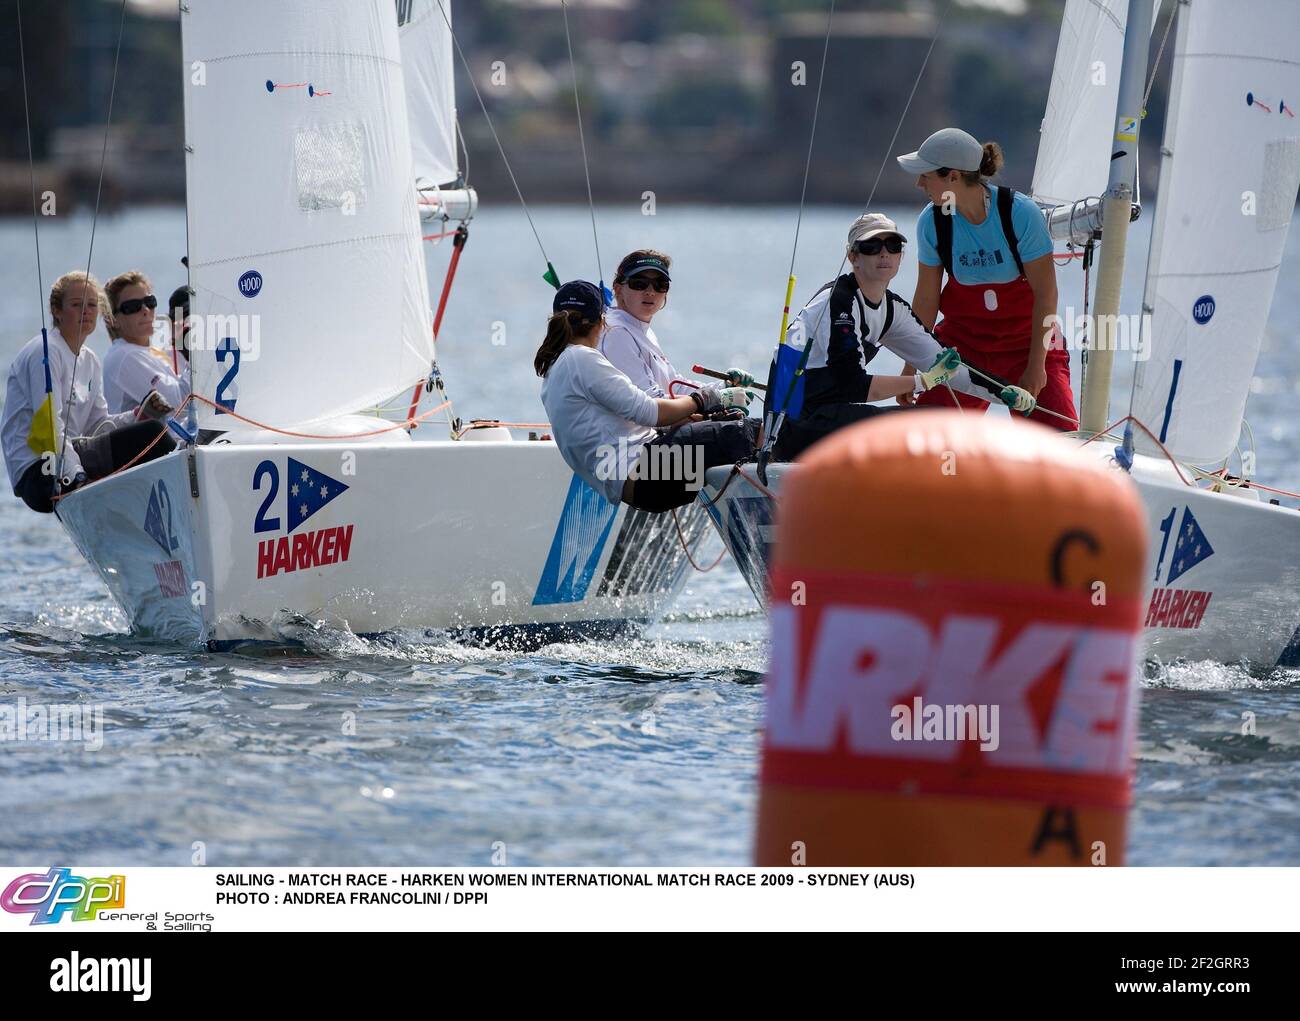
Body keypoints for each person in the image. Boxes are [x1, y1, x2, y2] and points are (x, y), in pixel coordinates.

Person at [767, 212, 1034, 461]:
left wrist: (1004, 392)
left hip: (828, 417)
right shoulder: (838, 302)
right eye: (872, 246)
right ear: (853, 257)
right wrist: (921, 382)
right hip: (792, 426)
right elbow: (852, 385)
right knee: (929, 422)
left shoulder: (892, 309)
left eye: (893, 246)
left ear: (900, 256)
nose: (884, 253)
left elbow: (945, 364)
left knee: (939, 418)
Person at [896, 127, 1077, 430]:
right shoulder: (932, 221)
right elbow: (926, 301)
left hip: (1028, 344)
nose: (918, 183)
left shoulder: (1020, 214)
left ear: (953, 177)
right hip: (961, 348)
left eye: (925, 175)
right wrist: (909, 369)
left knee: (1061, 442)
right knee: (921, 440)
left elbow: (1046, 295)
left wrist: (1036, 367)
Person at [538, 281, 757, 513]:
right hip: (648, 476)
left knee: (729, 430)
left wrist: (703, 415)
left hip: (641, 485)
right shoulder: (582, 360)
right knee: (749, 432)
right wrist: (710, 398)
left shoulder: (555, 369)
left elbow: (622, 424)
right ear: (602, 322)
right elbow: (651, 412)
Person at [2, 271, 175, 514]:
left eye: (92, 305)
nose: (86, 311)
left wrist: (137, 415)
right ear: (56, 311)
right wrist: (77, 476)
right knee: (153, 435)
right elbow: (47, 427)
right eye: (76, 305)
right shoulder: (46, 352)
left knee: (155, 431)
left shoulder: (90, 360)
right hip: (39, 471)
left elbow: (97, 425)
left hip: (69, 457)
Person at [599, 249, 751, 396]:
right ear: (618, 290)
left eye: (660, 284)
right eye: (639, 283)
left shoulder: (641, 330)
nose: (650, 291)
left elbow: (675, 386)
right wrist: (717, 400)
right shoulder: (616, 333)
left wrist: (723, 387)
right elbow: (650, 403)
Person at [102, 271, 186, 414]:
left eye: (149, 302)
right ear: (112, 319)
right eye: (133, 306)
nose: (146, 310)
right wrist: (200, 355)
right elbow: (179, 403)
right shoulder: (125, 356)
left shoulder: (144, 353)